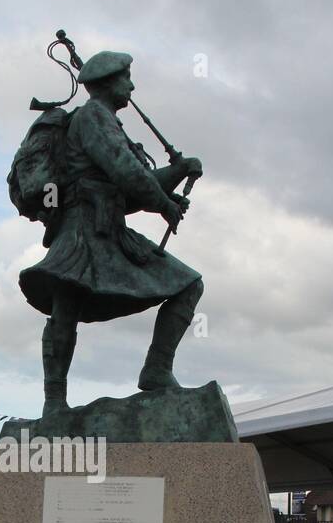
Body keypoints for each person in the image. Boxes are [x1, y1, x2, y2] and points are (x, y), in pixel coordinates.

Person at [17, 50, 204, 409]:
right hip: (81, 230)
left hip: (110, 229)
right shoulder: (92, 118)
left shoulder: (106, 122)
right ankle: (54, 402)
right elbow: (127, 173)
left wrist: (178, 173)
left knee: (188, 284)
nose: (131, 85)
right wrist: (164, 204)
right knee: (66, 305)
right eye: (126, 78)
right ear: (107, 83)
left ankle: (156, 370)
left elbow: (130, 189)